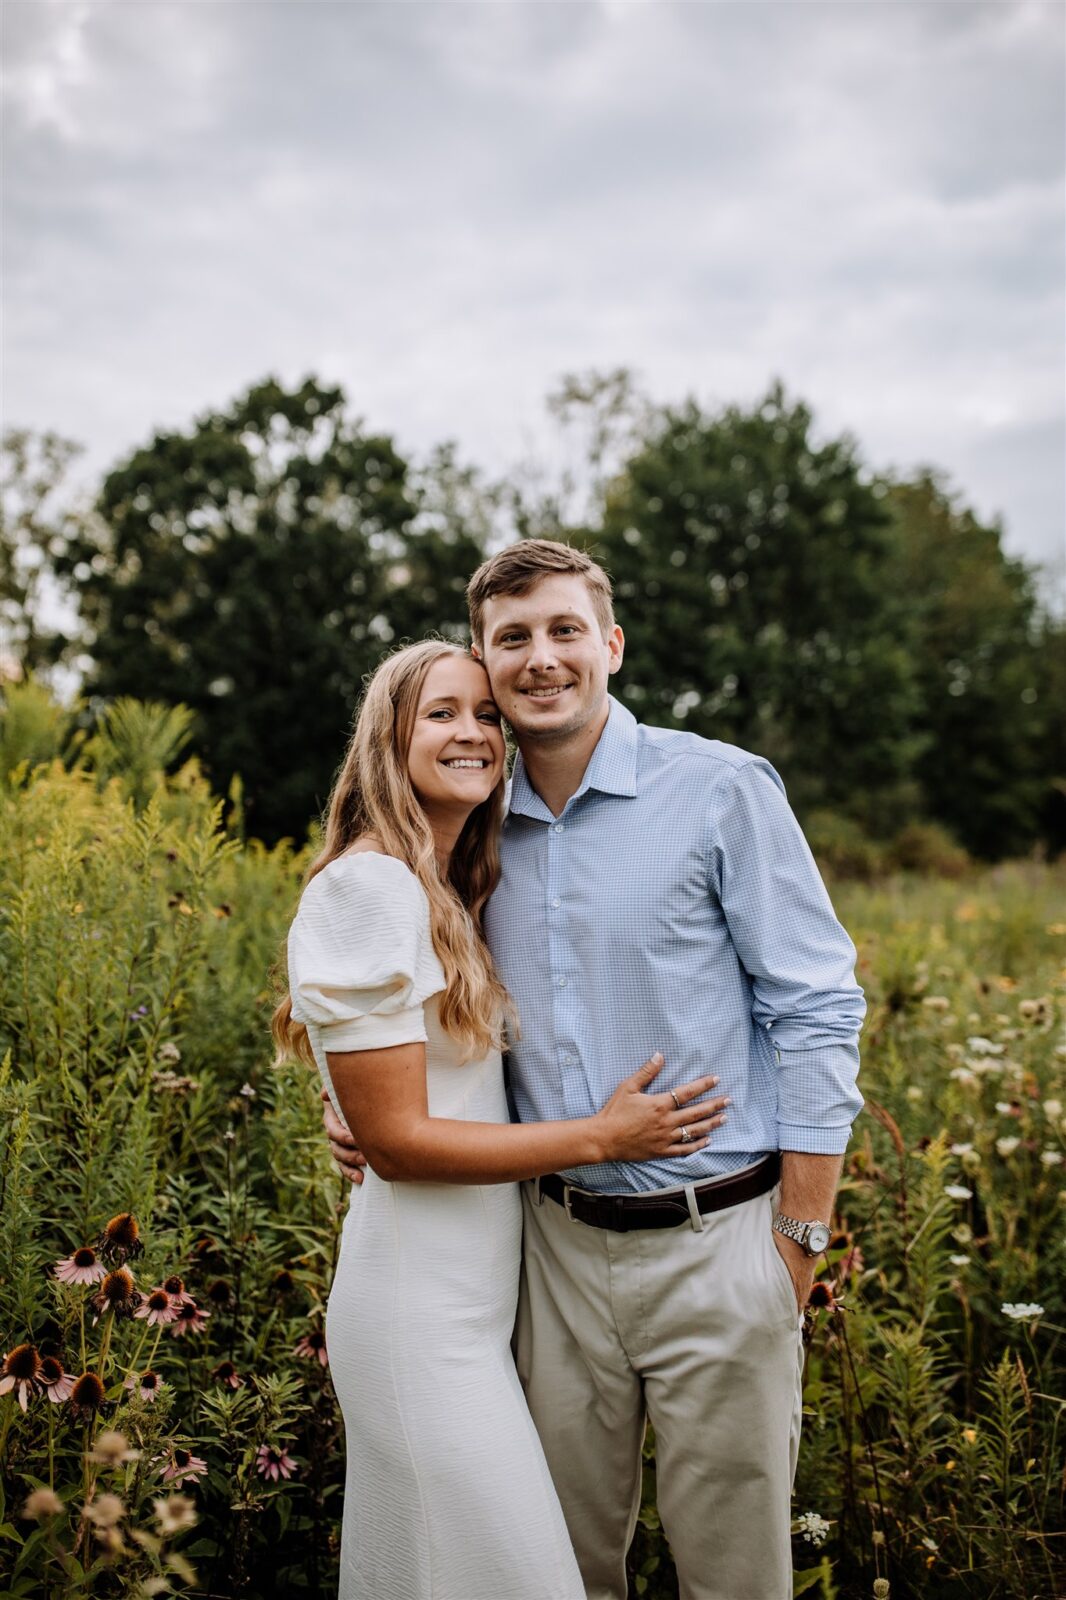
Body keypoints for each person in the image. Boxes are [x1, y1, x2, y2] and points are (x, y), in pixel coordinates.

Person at [325, 543, 866, 1600]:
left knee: (734, 1576)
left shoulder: (719, 790)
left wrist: (798, 1238)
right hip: (548, 1254)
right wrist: (369, 1116)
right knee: (556, 1570)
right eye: (511, 638)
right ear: (484, 660)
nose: (540, 658)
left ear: (608, 643)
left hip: (721, 1240)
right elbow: (404, 1005)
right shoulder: (469, 823)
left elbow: (815, 1005)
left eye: (563, 630)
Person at [273, 638, 730, 1600]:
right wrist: (602, 1138)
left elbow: (415, 1096)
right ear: (388, 738)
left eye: (486, 715)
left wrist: (357, 1105)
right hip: (416, 1318)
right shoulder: (370, 887)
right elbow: (397, 1143)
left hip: (476, 1312)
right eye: (442, 714)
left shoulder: (441, 887)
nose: (475, 732)